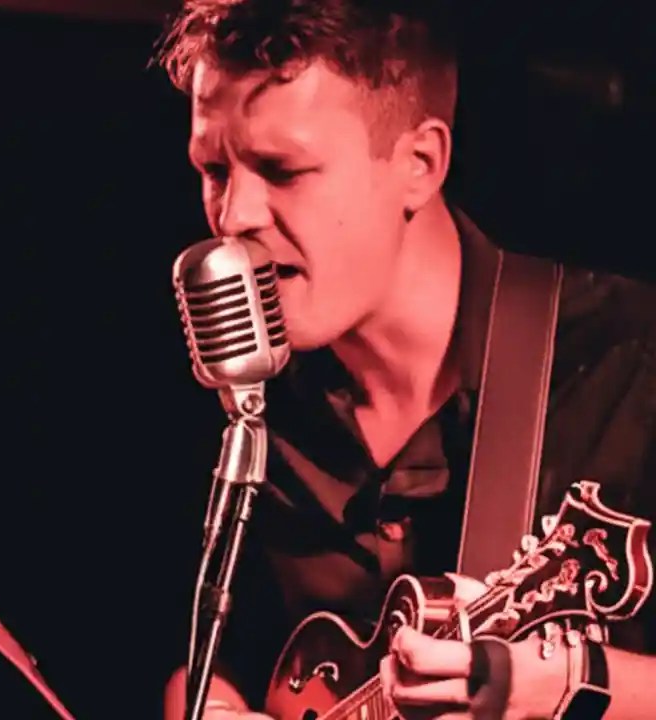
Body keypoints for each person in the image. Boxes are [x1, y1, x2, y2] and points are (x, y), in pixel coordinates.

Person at [152, 1, 656, 718]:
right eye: (213, 168)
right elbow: (211, 654)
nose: (234, 217)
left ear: (420, 165)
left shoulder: (629, 364)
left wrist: (570, 685)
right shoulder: (248, 393)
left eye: (282, 169)